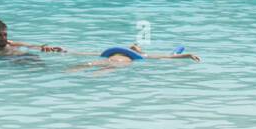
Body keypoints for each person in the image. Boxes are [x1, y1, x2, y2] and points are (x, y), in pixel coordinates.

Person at [66, 42, 200, 72]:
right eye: (134, 46)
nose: (135, 46)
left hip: (118, 63)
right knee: (91, 63)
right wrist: (67, 51)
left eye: (137, 46)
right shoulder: (114, 52)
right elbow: (88, 54)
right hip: (111, 60)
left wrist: (188, 55)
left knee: (105, 67)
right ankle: (70, 71)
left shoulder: (143, 56)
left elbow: (169, 57)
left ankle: (92, 76)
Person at [0, 19, 64, 54]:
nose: (4, 38)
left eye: (5, 34)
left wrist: (44, 48)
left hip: (23, 58)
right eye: (0, 35)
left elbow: (29, 46)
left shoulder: (11, 44)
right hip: (14, 63)